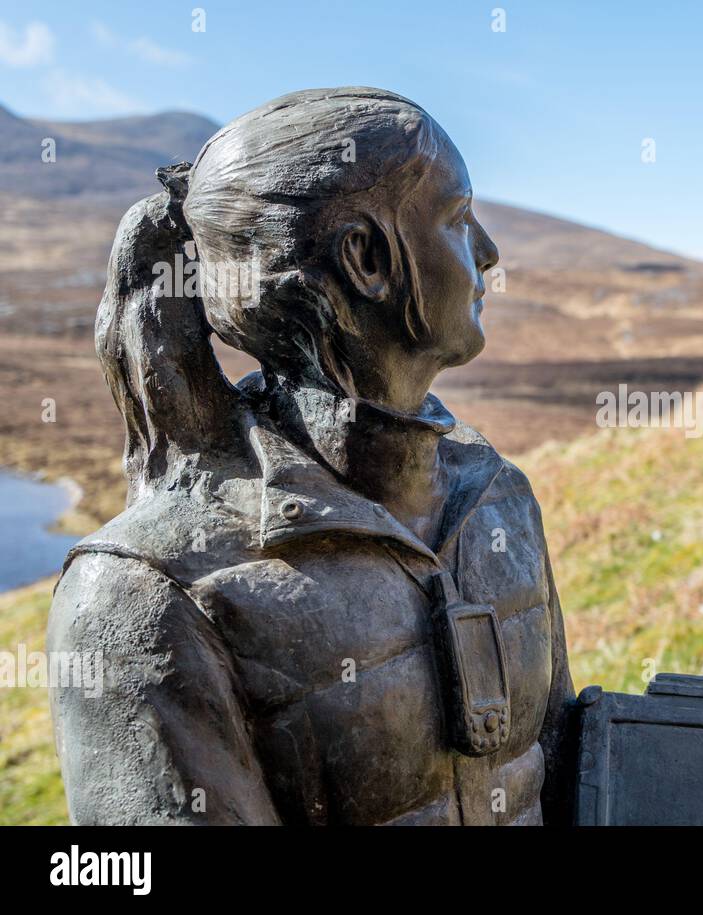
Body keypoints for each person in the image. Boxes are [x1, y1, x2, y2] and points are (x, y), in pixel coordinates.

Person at [47, 88, 577, 825]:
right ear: (367, 259)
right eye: (458, 218)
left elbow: (564, 767)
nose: (489, 251)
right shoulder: (145, 593)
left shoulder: (501, 500)